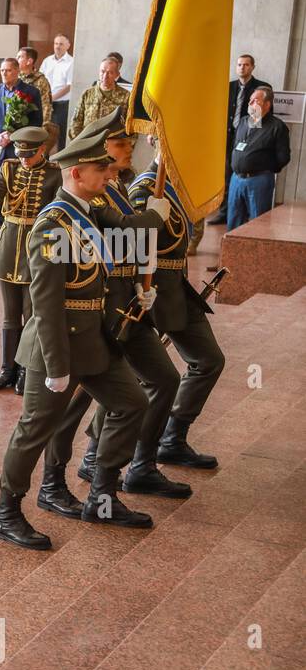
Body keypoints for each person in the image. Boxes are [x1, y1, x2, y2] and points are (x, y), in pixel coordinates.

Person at [0, 123, 163, 551]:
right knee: (35, 428)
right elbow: (45, 305)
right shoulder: (53, 225)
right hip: (58, 346)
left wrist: (155, 213)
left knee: (131, 403)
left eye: (107, 168)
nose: (107, 174)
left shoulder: (88, 211)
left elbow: (131, 231)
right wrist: (56, 367)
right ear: (75, 174)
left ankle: (102, 496)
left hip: (94, 341)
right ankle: (7, 512)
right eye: (98, 169)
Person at [43, 109, 189, 515]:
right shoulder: (95, 192)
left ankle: (124, 465)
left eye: (128, 144)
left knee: (154, 382)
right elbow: (127, 232)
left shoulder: (116, 186)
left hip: (128, 305)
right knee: (72, 403)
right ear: (98, 151)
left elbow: (130, 239)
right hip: (101, 312)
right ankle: (58, 480)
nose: (127, 152)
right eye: (120, 146)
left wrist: (147, 286)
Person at [131, 140, 228, 471]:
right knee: (145, 380)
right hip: (149, 290)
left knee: (208, 360)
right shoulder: (144, 188)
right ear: (158, 145)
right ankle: (116, 456)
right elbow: (130, 243)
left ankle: (172, 438)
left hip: (176, 290)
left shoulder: (178, 188)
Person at [0, 126, 59, 393]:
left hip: (37, 248)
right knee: (9, 315)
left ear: (42, 150)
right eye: (21, 154)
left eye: (30, 154)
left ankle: (26, 369)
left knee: (30, 314)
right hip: (8, 248)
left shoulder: (54, 175)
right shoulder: (10, 168)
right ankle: (7, 370)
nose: (25, 159)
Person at [213, 54, 271, 224]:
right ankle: (225, 211)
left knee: (242, 172)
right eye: (239, 65)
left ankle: (243, 212)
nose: (242, 68)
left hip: (248, 137)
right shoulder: (229, 87)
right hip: (227, 135)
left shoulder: (261, 88)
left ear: (252, 67)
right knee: (226, 174)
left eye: (246, 65)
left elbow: (262, 117)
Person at [227, 87, 290, 231]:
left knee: (258, 222)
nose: (250, 103)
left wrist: (265, 168)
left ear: (267, 104)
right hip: (236, 179)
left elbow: (283, 157)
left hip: (259, 181)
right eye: (250, 100)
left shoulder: (277, 127)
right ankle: (235, 252)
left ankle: (256, 253)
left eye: (255, 100)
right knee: (233, 220)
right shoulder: (243, 122)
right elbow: (235, 146)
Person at [0, 58, 42, 173]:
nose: (4, 73)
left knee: (17, 187)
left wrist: (14, 135)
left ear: (17, 71)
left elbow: (36, 122)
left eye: (8, 70)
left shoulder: (31, 92)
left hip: (20, 150)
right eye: (2, 70)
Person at [69, 56, 128, 139]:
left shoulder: (125, 96)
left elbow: (129, 126)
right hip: (86, 144)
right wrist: (78, 143)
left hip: (111, 146)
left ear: (117, 75)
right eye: (102, 71)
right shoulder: (87, 94)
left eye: (110, 72)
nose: (105, 76)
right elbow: (76, 122)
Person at [39, 34, 74, 149]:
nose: (58, 46)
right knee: (44, 133)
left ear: (68, 46)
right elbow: (40, 79)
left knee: (61, 134)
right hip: (45, 104)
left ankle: (60, 162)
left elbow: (69, 86)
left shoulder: (71, 62)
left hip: (62, 104)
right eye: (56, 43)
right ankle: (44, 159)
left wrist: (52, 97)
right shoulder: (47, 61)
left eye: (61, 44)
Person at [17, 46, 53, 126]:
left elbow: (46, 106)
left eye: (20, 57)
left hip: (33, 123)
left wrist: (43, 127)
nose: (17, 59)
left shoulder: (41, 80)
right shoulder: (16, 78)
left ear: (29, 61)